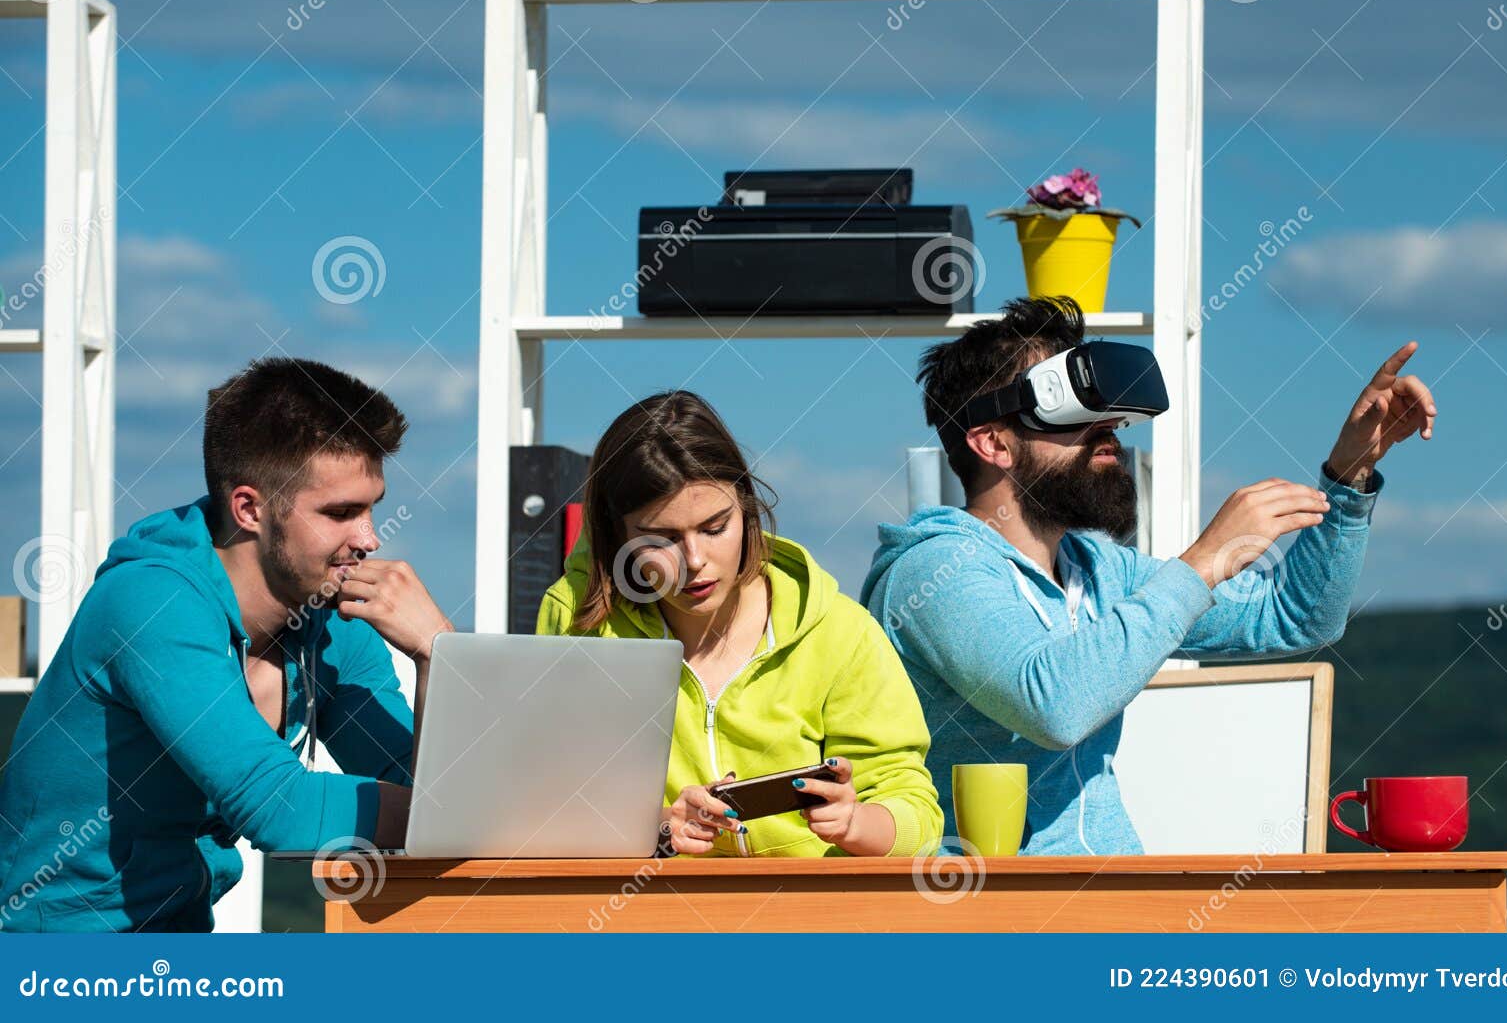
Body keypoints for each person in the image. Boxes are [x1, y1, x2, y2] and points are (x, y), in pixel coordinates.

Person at [861, 296, 1438, 855]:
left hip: (1113, 893)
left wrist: (1351, 473)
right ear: (993, 443)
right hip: (992, 913)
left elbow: (1296, 618)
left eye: (1110, 412)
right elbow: (1053, 706)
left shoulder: (1096, 567)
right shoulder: (935, 571)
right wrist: (1202, 564)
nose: (1109, 426)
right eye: (1074, 412)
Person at [0, 359, 453, 931]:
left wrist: (438, 655)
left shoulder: (333, 621)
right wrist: (462, 817)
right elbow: (281, 810)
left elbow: (424, 783)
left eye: (372, 507)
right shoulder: (151, 601)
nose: (369, 538)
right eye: (341, 513)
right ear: (249, 508)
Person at [538, 390, 942, 858]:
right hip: (642, 923)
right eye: (661, 539)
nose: (694, 561)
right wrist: (658, 829)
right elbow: (549, 798)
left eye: (715, 528)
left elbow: (920, 817)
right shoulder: (579, 624)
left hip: (811, 926)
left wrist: (857, 824)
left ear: (746, 507)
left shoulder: (841, 632)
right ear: (615, 536)